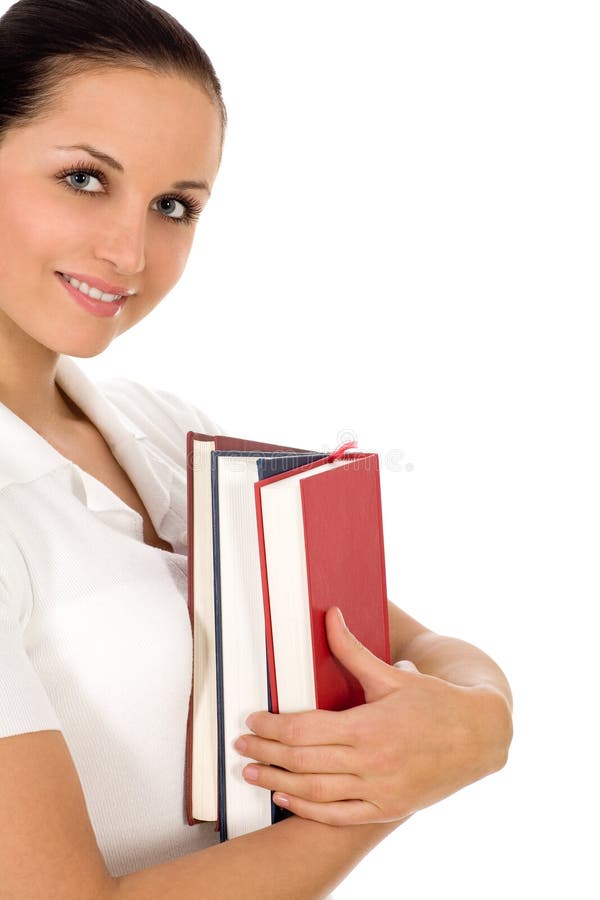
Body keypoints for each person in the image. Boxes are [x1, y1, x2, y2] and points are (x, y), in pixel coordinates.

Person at [0, 1, 513, 897]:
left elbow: (411, 647)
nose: (128, 250)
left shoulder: (161, 431)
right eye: (84, 179)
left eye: (174, 206)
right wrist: (393, 787)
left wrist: (485, 715)